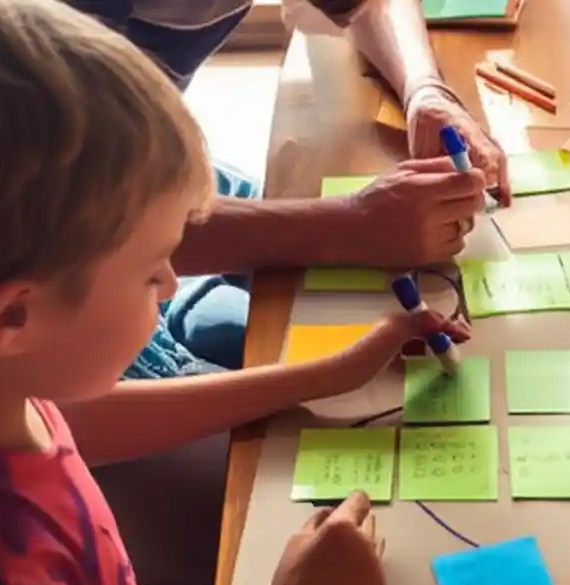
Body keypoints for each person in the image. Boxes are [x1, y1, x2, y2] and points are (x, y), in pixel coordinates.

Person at [0, 1, 461, 585]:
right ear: (13, 316)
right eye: (151, 269)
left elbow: (79, 420)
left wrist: (325, 374)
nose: (170, 281)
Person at [64, 0, 509, 377]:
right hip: (76, 258)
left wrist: (424, 90)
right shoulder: (42, 40)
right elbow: (76, 226)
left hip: (155, 180)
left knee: (302, 317)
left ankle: (192, 308)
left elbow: (370, 6)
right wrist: (352, 226)